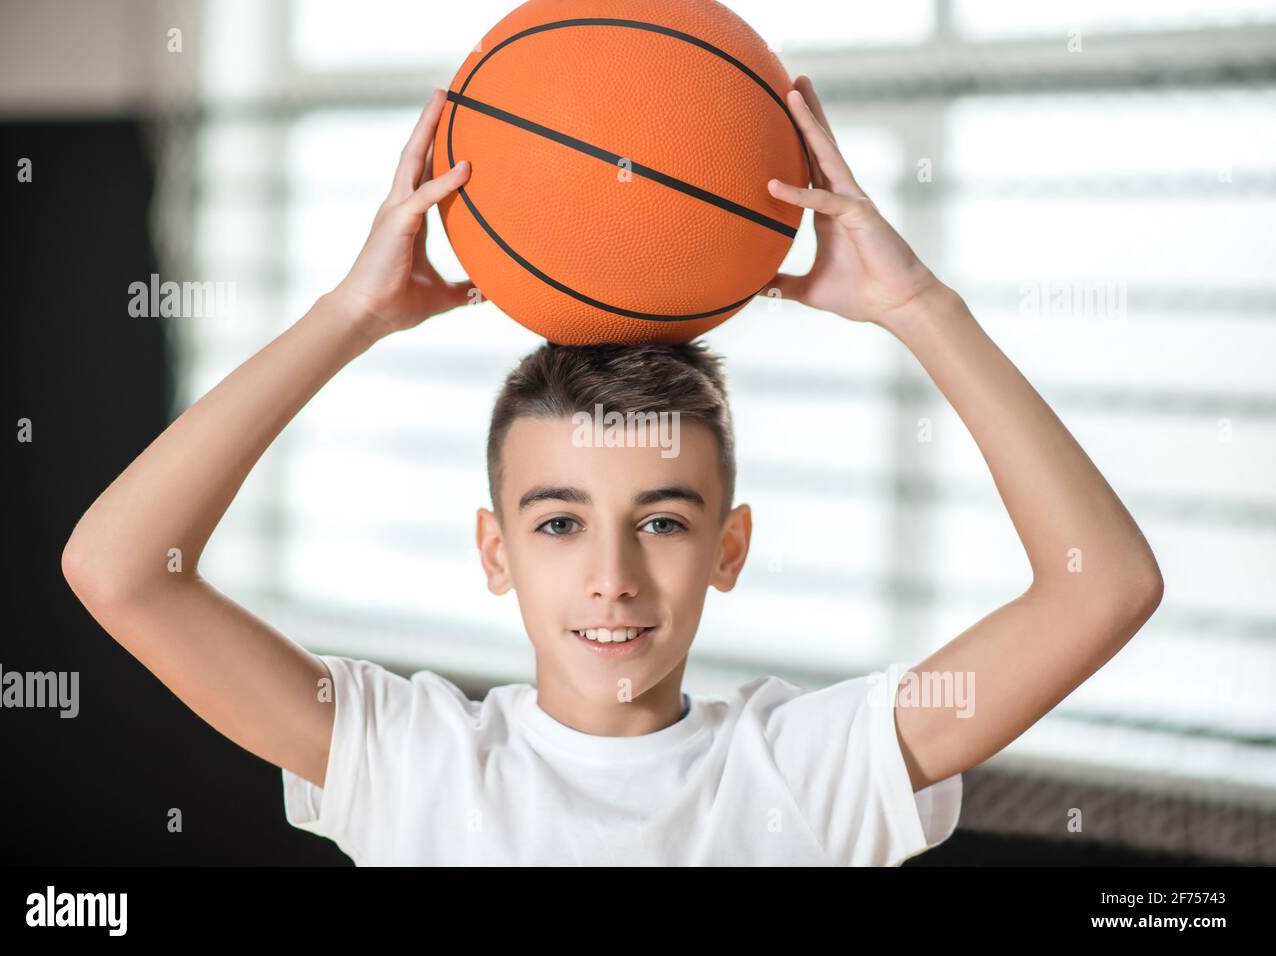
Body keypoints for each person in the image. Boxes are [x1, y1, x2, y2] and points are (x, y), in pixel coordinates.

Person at [61, 79, 1164, 865]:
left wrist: (921, 309)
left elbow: (1100, 586)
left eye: (664, 521)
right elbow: (119, 568)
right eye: (556, 524)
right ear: (493, 549)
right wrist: (347, 315)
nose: (612, 577)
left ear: (730, 546)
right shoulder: (409, 759)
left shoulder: (812, 767)